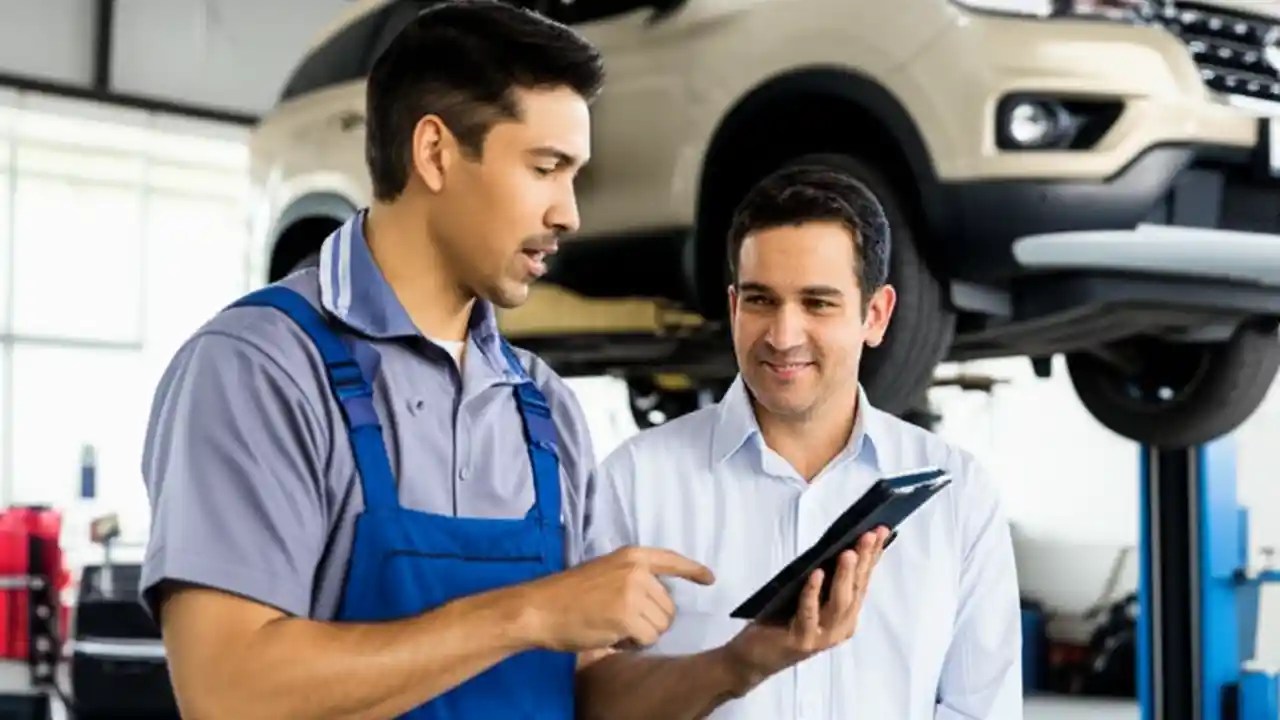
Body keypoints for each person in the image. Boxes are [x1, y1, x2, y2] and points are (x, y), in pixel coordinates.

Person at [137, 3, 715, 718]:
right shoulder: (260, 369)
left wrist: (746, 661)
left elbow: (584, 689)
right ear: (436, 153)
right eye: (545, 168)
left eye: (574, 175)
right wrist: (526, 613)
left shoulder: (541, 406)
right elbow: (229, 693)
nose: (569, 213)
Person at [576, 165, 1024, 719]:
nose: (783, 337)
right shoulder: (635, 484)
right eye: (762, 301)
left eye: (817, 303)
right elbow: (589, 703)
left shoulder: (960, 495)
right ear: (735, 306)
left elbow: (982, 710)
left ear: (876, 315)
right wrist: (733, 666)